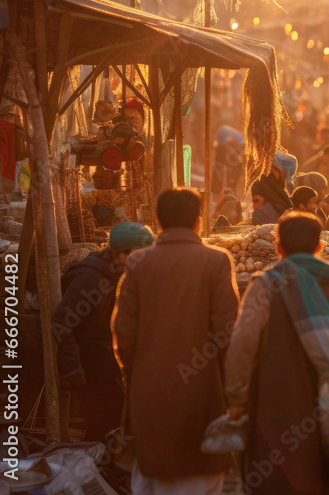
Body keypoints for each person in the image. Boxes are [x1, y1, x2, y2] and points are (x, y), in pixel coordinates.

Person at [225, 212, 329, 495]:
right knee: (323, 473)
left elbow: (242, 346)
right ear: (319, 245)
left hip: (274, 401)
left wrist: (236, 398)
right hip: (327, 399)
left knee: (276, 476)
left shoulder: (266, 284)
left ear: (279, 246)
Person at [112, 188, 239, 495]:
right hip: (204, 391)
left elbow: (123, 334)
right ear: (198, 221)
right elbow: (227, 332)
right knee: (202, 469)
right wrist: (228, 388)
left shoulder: (138, 262)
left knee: (154, 471)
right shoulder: (216, 260)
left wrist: (135, 373)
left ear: (158, 221)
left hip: (150, 389)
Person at [52, 222, 154, 441]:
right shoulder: (91, 278)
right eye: (140, 254)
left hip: (107, 352)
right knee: (106, 415)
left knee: (119, 411)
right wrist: (72, 369)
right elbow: (61, 321)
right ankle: (97, 455)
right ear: (120, 254)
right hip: (90, 358)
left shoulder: (121, 272)